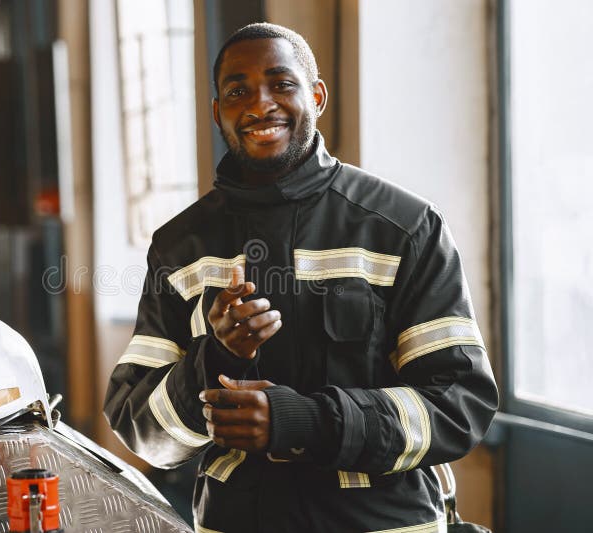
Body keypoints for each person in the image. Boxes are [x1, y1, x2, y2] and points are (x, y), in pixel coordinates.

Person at [104, 22, 498, 533]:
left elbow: (458, 403)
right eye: (237, 90)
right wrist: (214, 359)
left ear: (316, 96)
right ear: (217, 111)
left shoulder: (402, 228)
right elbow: (141, 431)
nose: (259, 104)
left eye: (281, 83)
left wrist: (306, 422)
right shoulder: (182, 246)